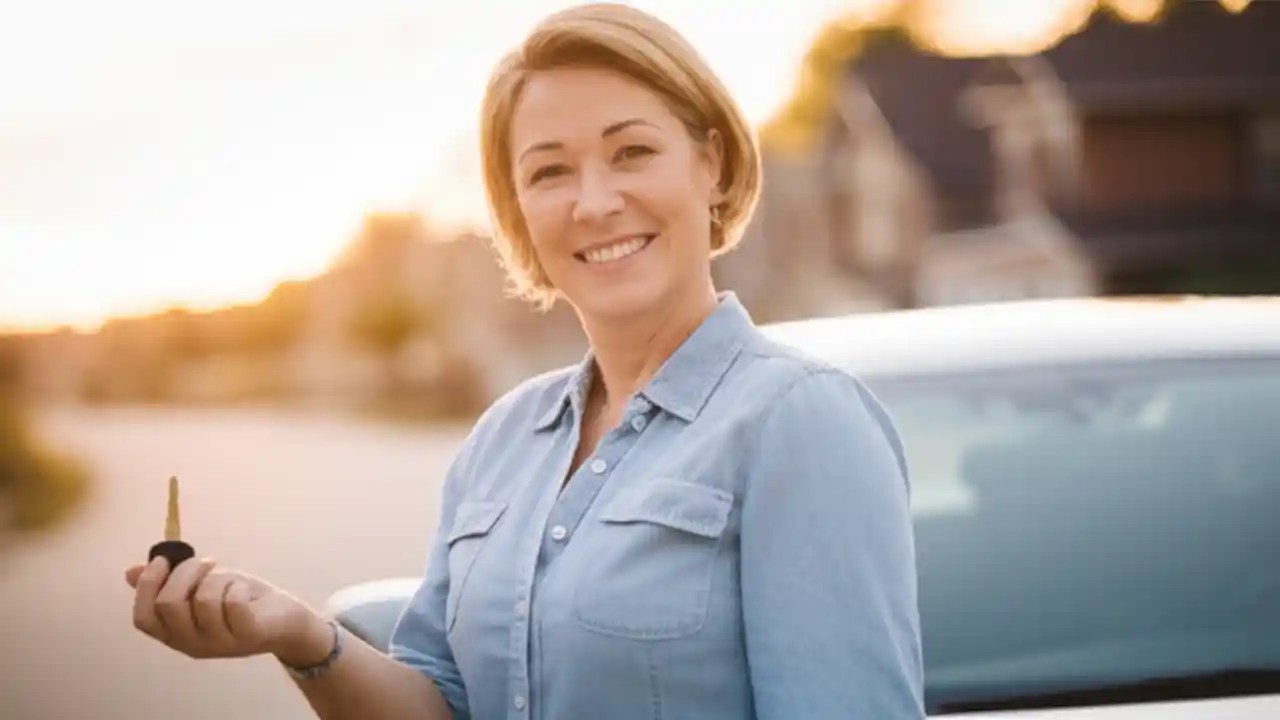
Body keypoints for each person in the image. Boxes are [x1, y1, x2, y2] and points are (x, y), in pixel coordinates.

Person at [125, 3, 925, 718]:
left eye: (632, 152)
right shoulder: (503, 441)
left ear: (709, 165)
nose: (594, 201)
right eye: (549, 171)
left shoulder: (801, 421)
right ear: (519, 212)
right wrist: (301, 636)